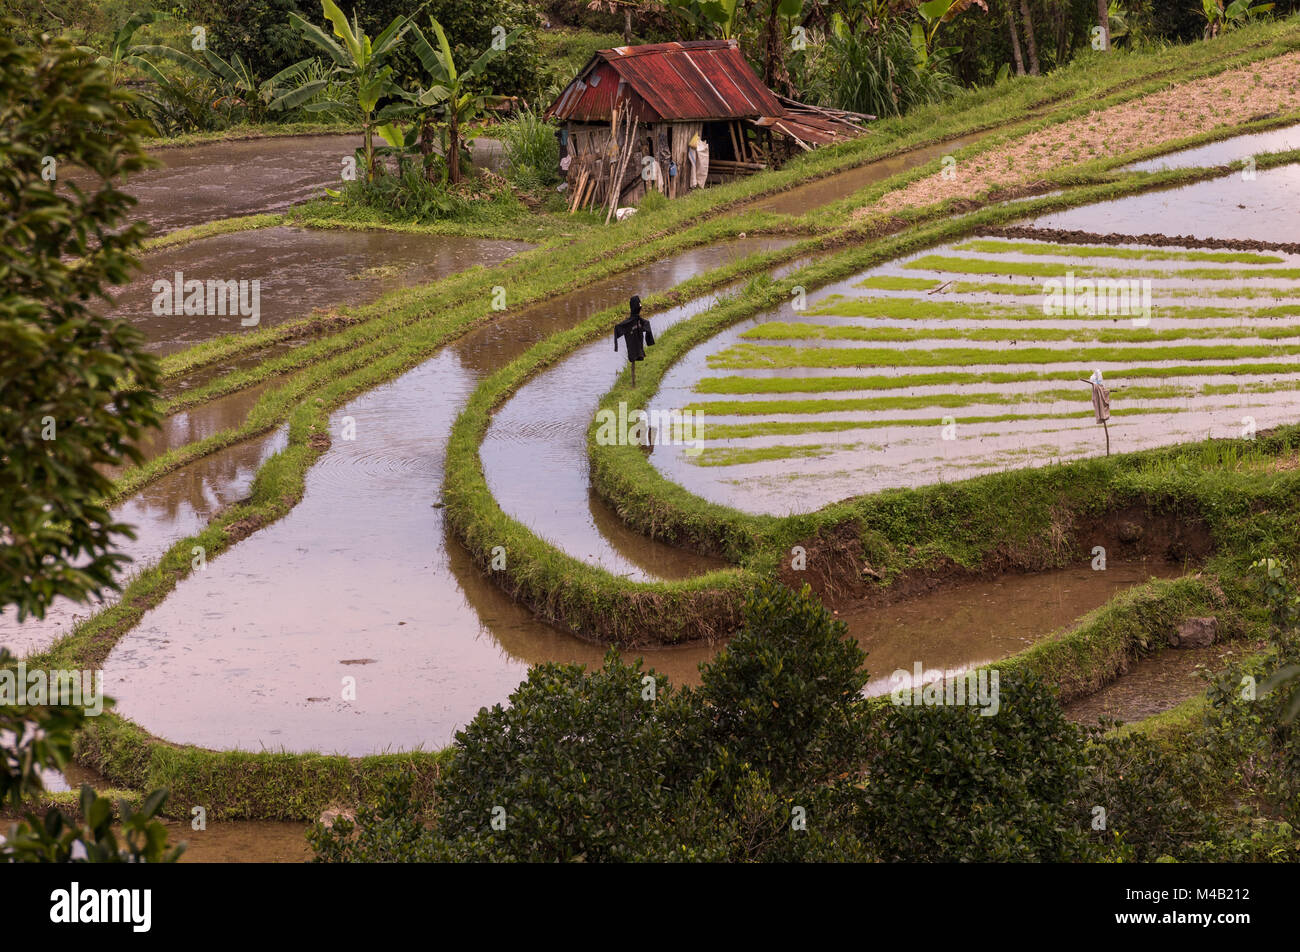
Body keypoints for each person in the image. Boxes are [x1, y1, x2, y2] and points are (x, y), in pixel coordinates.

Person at [614, 295, 654, 384]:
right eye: (638, 305)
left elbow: (647, 325)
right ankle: (633, 383)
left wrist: (649, 341)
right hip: (632, 351)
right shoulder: (627, 324)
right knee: (633, 360)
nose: (640, 307)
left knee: (637, 355)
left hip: (639, 349)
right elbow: (617, 329)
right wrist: (616, 347)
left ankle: (634, 383)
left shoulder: (641, 321)